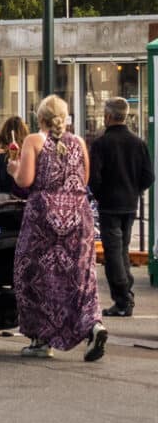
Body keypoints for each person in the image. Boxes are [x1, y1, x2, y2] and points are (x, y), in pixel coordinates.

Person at [13, 95, 106, 361]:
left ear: (40, 117)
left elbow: (26, 180)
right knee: (80, 277)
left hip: (43, 216)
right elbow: (83, 179)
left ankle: (41, 340)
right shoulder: (78, 142)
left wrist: (13, 169)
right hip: (78, 216)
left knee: (32, 274)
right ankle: (93, 326)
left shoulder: (34, 141)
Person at [87, 96, 152, 319]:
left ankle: (123, 299)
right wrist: (134, 190)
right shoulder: (138, 143)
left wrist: (99, 195)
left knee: (113, 252)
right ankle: (126, 295)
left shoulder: (101, 144)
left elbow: (94, 178)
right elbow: (148, 176)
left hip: (109, 206)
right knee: (122, 249)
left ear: (107, 116)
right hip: (129, 205)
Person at [0, 117, 27, 196]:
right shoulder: (29, 155)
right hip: (26, 200)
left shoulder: (0, 154)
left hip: (6, 201)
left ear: (4, 134)